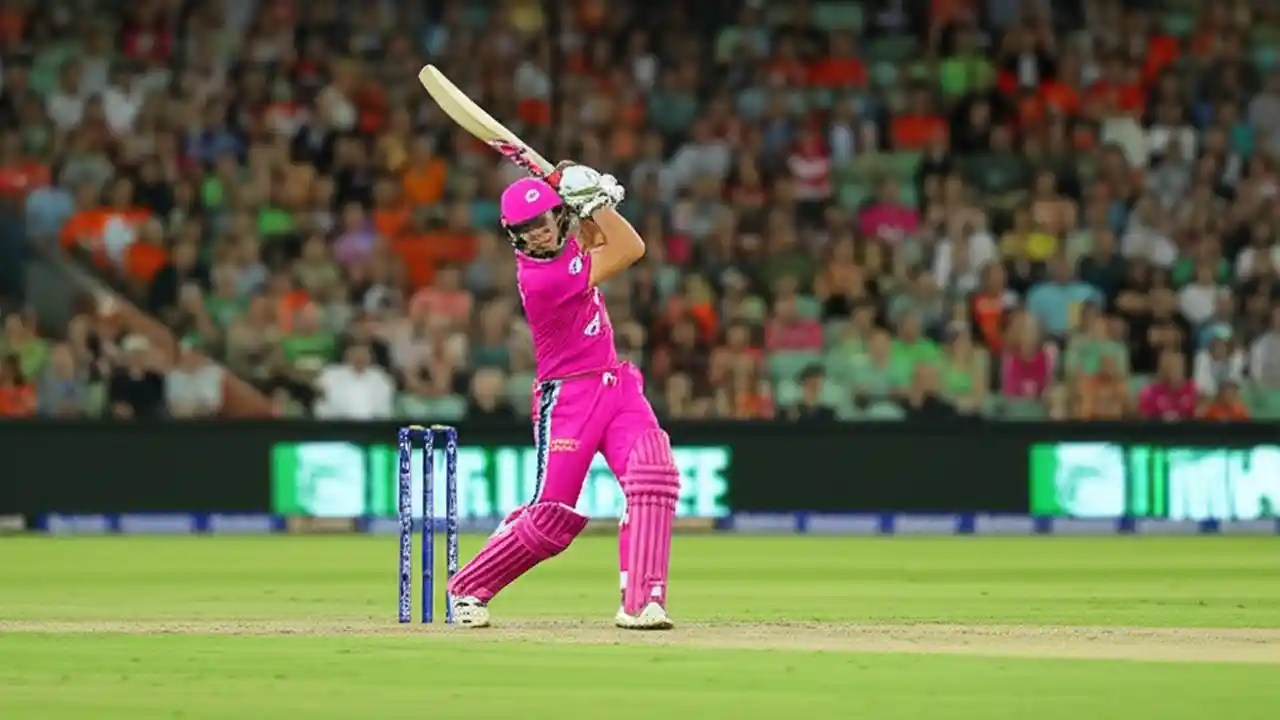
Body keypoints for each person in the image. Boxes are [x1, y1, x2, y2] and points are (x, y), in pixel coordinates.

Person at [446, 163, 680, 630]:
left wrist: (587, 196)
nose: (536, 234)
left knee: (654, 473)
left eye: (542, 221)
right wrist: (596, 203)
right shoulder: (541, 279)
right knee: (551, 519)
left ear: (558, 216)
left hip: (616, 386)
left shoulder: (569, 245)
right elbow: (630, 247)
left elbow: (597, 239)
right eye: (525, 229)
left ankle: (642, 602)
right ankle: (467, 589)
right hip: (568, 398)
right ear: (513, 236)